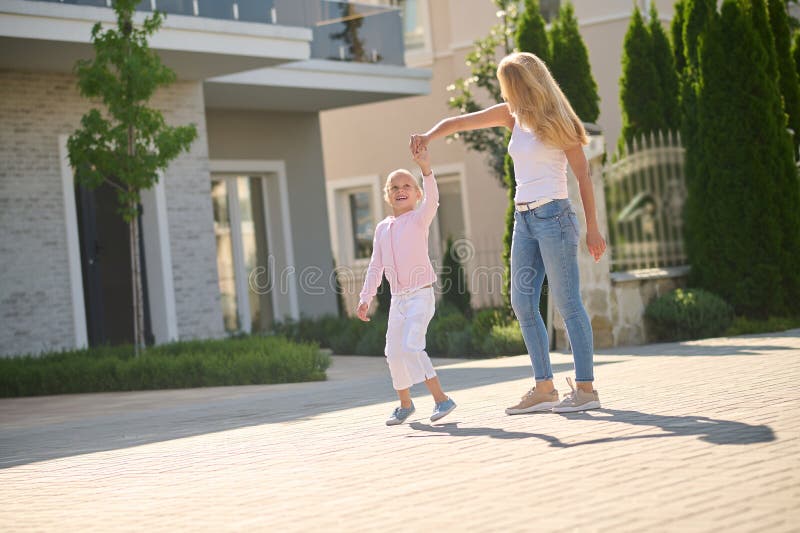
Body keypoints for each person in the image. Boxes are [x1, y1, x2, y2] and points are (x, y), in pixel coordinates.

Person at [410, 52, 607, 414]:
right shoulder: (510, 115)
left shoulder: (559, 120)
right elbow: (458, 122)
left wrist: (593, 228)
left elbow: (582, 175)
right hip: (525, 221)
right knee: (521, 302)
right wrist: (428, 135)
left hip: (555, 217)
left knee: (567, 304)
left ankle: (586, 389)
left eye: (509, 84)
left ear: (526, 83)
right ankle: (545, 388)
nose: (506, 92)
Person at [356, 145, 457, 426]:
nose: (401, 190)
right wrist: (366, 297)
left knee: (413, 346)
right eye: (394, 187)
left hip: (420, 297)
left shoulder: (419, 219)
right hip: (398, 301)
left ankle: (442, 399)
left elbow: (434, 200)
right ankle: (405, 404)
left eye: (407, 186)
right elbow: (376, 266)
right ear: (387, 195)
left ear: (417, 193)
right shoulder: (381, 229)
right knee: (393, 352)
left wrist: (425, 169)